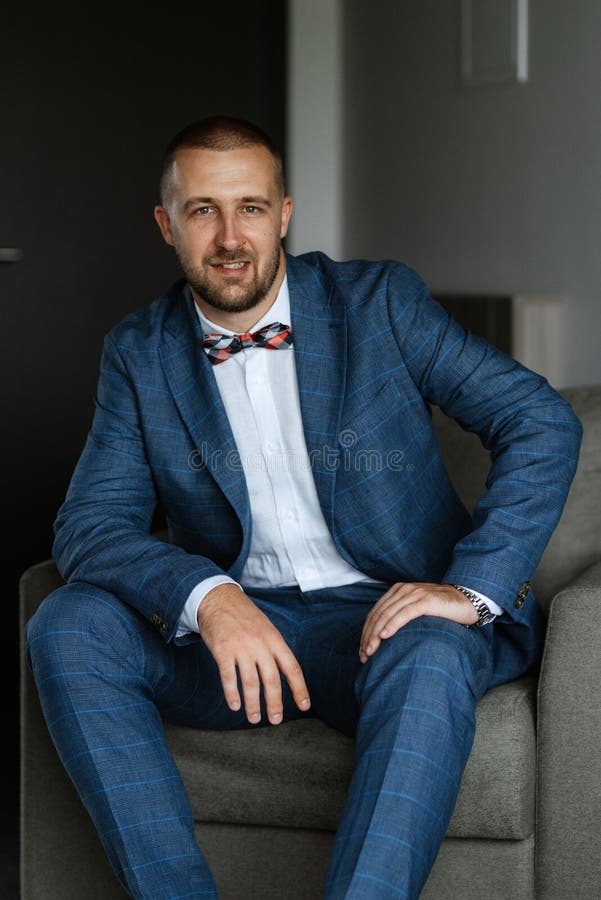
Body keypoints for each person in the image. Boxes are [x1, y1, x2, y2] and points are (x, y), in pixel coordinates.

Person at [26, 115, 582, 900]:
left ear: (284, 213)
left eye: (250, 207)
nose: (229, 236)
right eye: (202, 210)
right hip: (241, 638)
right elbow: (88, 526)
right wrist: (208, 597)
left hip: (388, 620)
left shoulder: (377, 302)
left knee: (430, 653)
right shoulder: (138, 350)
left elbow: (539, 420)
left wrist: (469, 587)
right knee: (67, 622)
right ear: (166, 225)